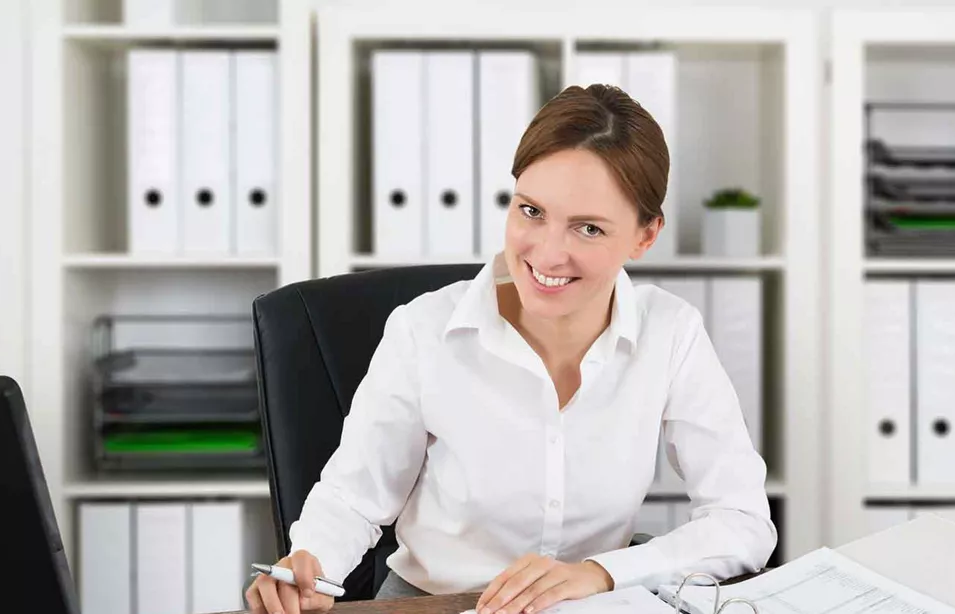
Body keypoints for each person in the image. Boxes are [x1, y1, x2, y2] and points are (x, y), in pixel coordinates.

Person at [246, 83, 775, 614]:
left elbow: (743, 520)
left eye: (588, 228)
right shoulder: (423, 331)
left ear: (645, 235)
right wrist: (309, 566)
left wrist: (601, 574)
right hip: (436, 605)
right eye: (531, 211)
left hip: (589, 604)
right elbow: (354, 497)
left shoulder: (671, 334)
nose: (548, 252)